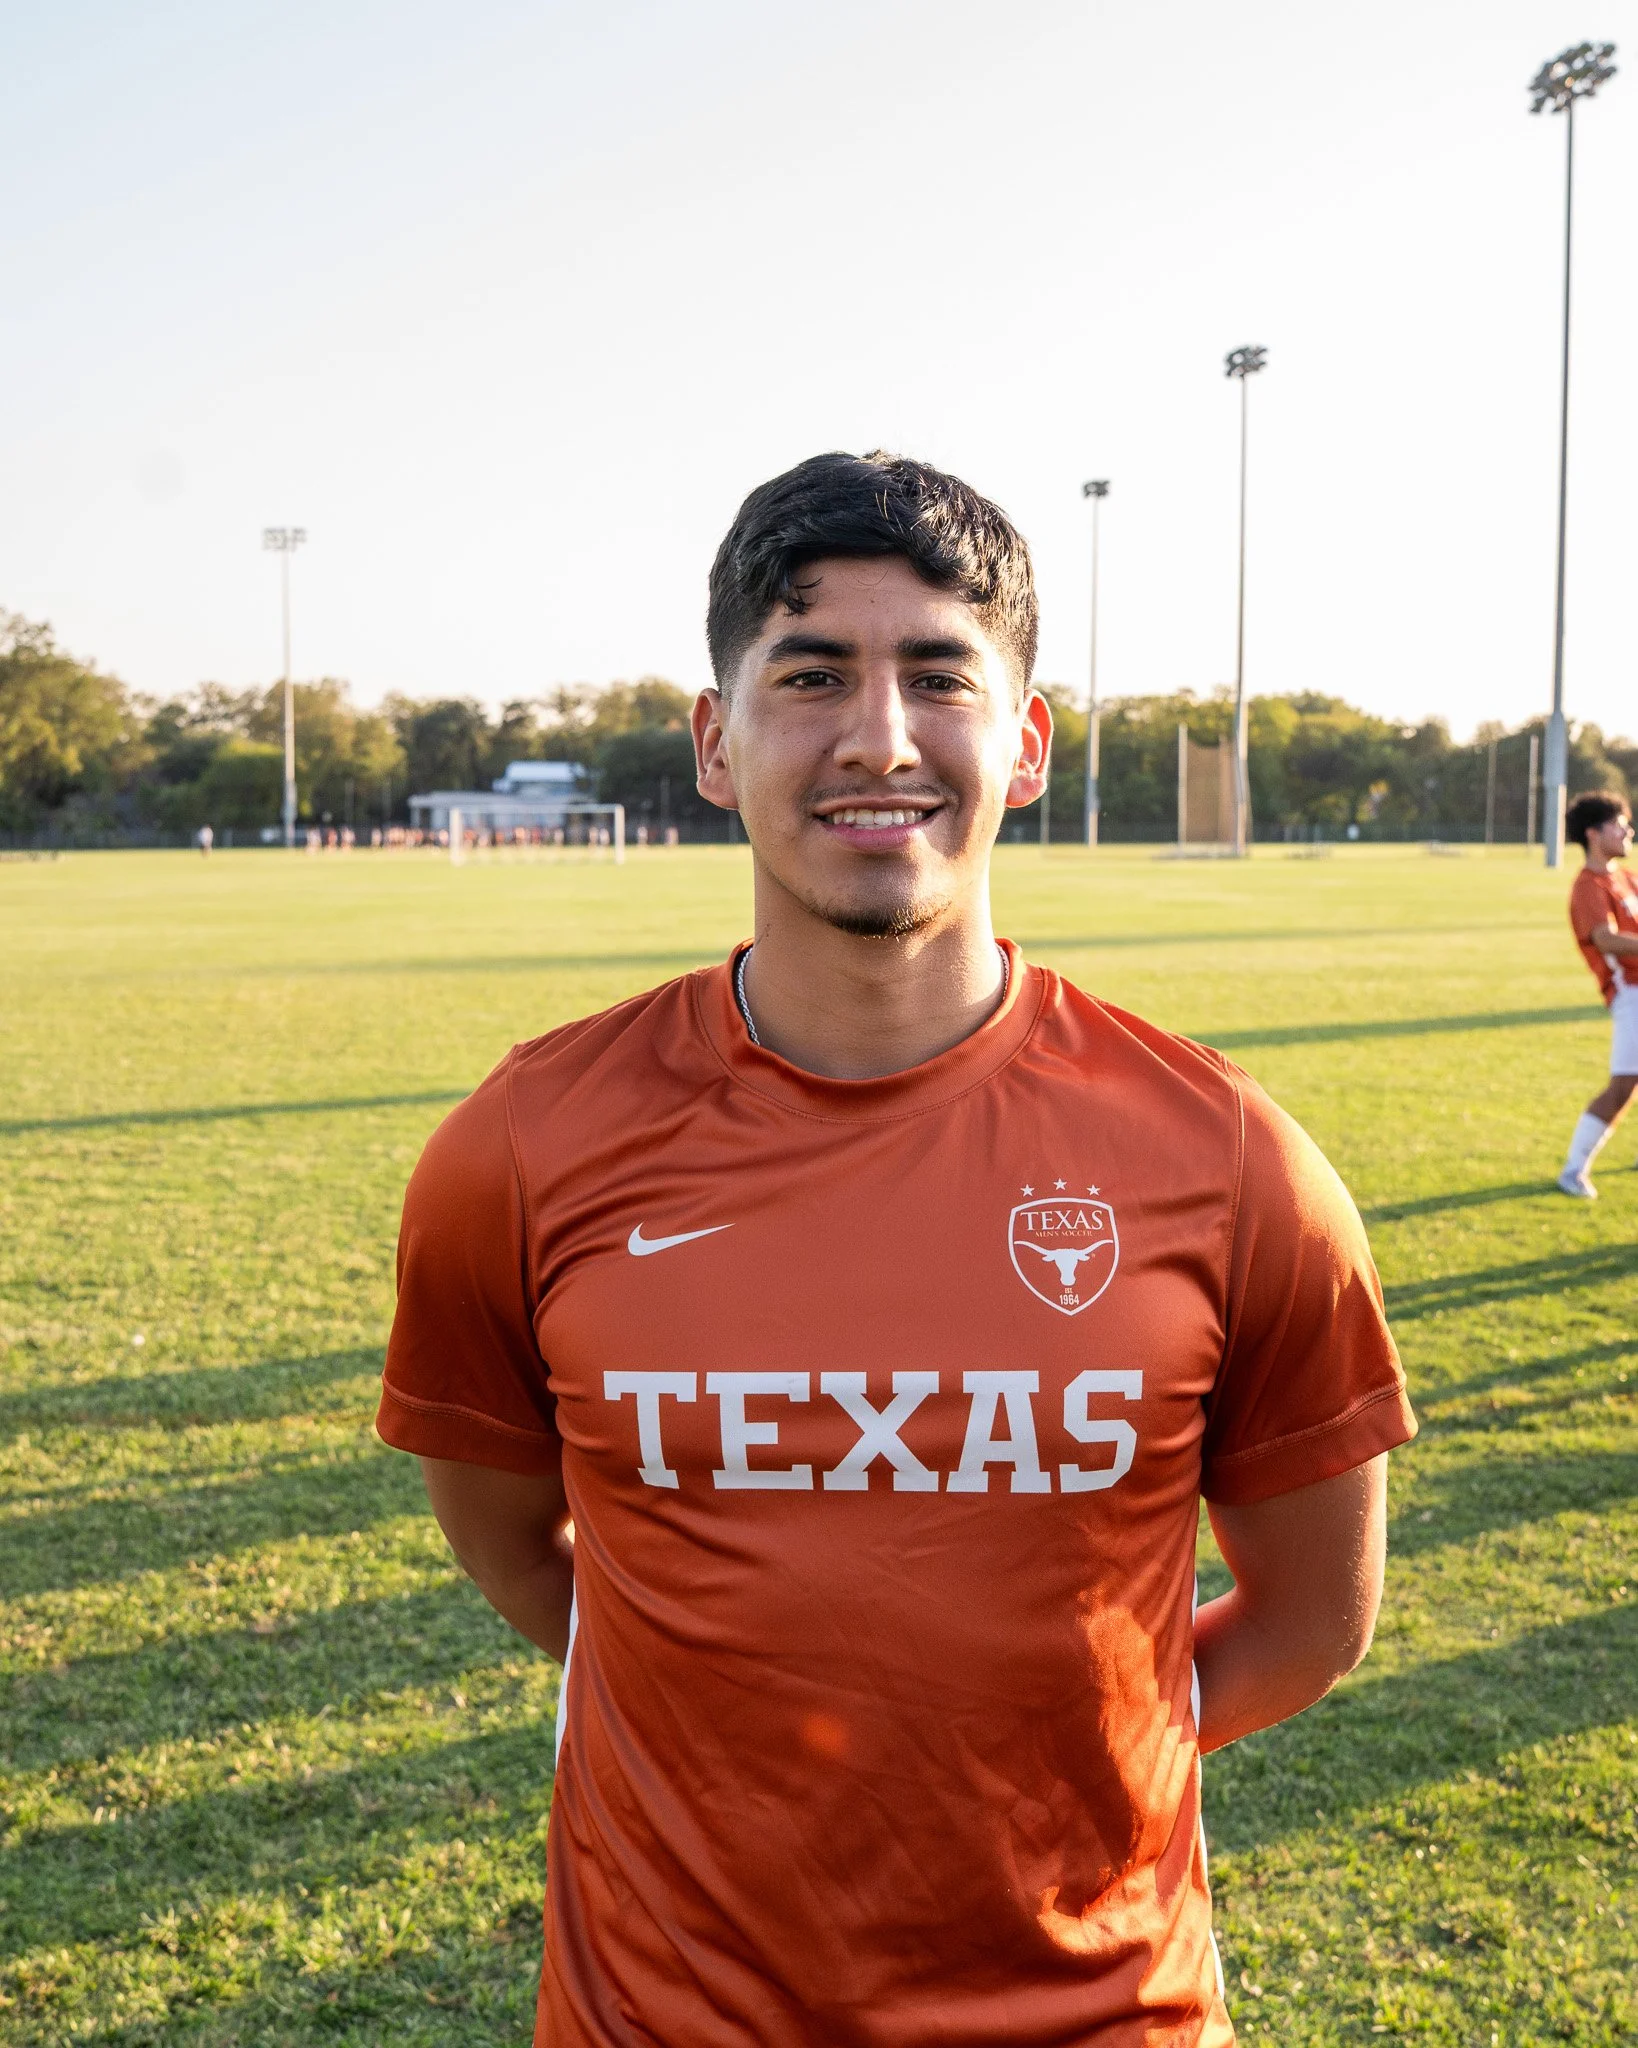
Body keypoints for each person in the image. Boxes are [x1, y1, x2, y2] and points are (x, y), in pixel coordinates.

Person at [376, 451, 1416, 2047]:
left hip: (1106, 2015)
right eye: (809, 677)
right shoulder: (519, 1147)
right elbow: (522, 1552)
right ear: (716, 744)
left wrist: (1086, 1752)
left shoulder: (1229, 1158)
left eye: (938, 677)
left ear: (1024, 746)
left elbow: (1308, 1616)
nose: (876, 737)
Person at [1558, 790, 1638, 1198]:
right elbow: (1605, 939)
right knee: (1624, 1085)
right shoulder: (1588, 886)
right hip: (1630, 995)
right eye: (1619, 824)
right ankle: (1573, 1170)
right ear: (1593, 833)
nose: (1628, 830)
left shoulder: (1624, 877)